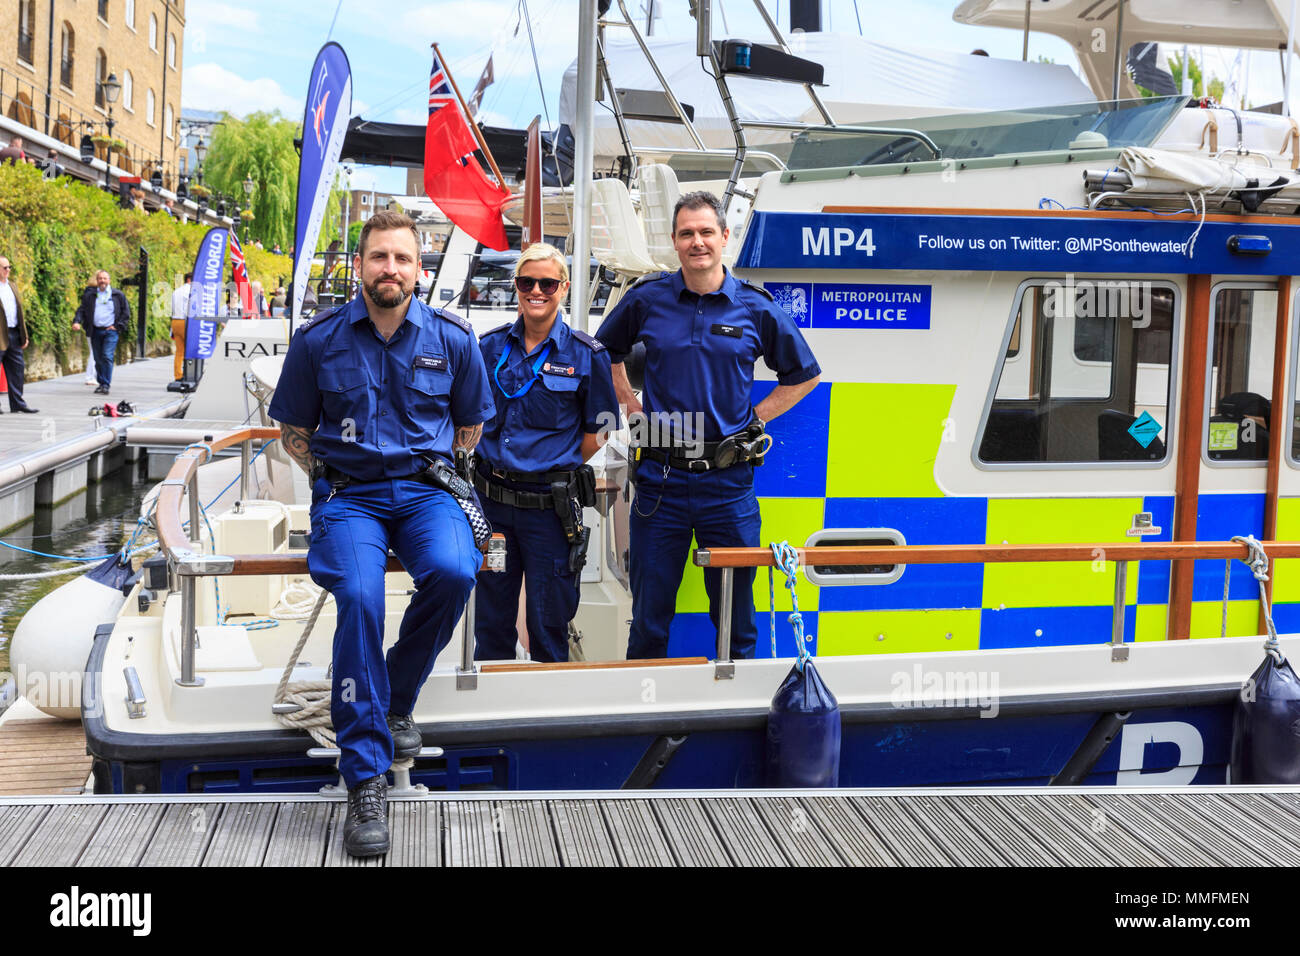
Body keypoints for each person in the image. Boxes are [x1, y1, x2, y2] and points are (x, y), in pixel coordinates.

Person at [267, 209, 494, 858]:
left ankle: (396, 699)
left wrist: (432, 465)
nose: (389, 269)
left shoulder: (453, 339)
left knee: (455, 571)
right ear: (360, 266)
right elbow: (293, 431)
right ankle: (365, 779)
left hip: (427, 493)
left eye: (402, 258)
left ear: (419, 271)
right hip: (351, 499)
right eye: (378, 257)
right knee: (362, 599)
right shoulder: (319, 341)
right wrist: (331, 476)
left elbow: (471, 425)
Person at [595, 191, 821, 660]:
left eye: (705, 232)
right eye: (686, 234)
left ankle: (732, 719)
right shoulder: (648, 299)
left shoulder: (755, 308)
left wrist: (754, 419)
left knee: (737, 624)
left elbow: (804, 375)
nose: (697, 242)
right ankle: (647, 719)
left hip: (729, 486)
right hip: (660, 483)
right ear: (675, 242)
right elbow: (603, 353)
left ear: (724, 238)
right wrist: (629, 405)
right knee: (650, 620)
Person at [473, 243, 618, 663]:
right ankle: (492, 715)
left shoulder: (586, 355)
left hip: (549, 513)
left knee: (548, 620)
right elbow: (467, 417)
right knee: (492, 618)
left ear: (564, 287)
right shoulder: (488, 348)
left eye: (547, 283)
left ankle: (545, 717)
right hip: (492, 507)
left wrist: (553, 464)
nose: (537, 290)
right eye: (527, 282)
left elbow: (603, 428)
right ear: (516, 287)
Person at [72, 270, 132, 395]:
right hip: (95, 331)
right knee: (98, 359)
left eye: (105, 278)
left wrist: (118, 326)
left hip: (110, 331)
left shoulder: (117, 295)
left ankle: (105, 384)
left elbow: (125, 312)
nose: (102, 281)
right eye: (100, 278)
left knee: (107, 356)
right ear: (97, 280)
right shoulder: (91, 295)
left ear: (109, 280)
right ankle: (101, 382)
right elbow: (82, 309)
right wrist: (77, 321)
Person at [0, 256, 37, 414]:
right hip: (0, 334)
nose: (8, 270)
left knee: (17, 368)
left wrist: (24, 336)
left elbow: (19, 313)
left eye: (9, 267)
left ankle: (17, 404)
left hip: (14, 333)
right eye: (5, 267)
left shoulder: (12, 286)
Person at [170, 272, 192, 381]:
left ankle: (178, 375)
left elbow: (172, 308)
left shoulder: (175, 292)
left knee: (179, 351)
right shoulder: (191, 291)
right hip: (186, 322)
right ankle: (189, 373)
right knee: (189, 349)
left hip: (175, 321)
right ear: (189, 280)